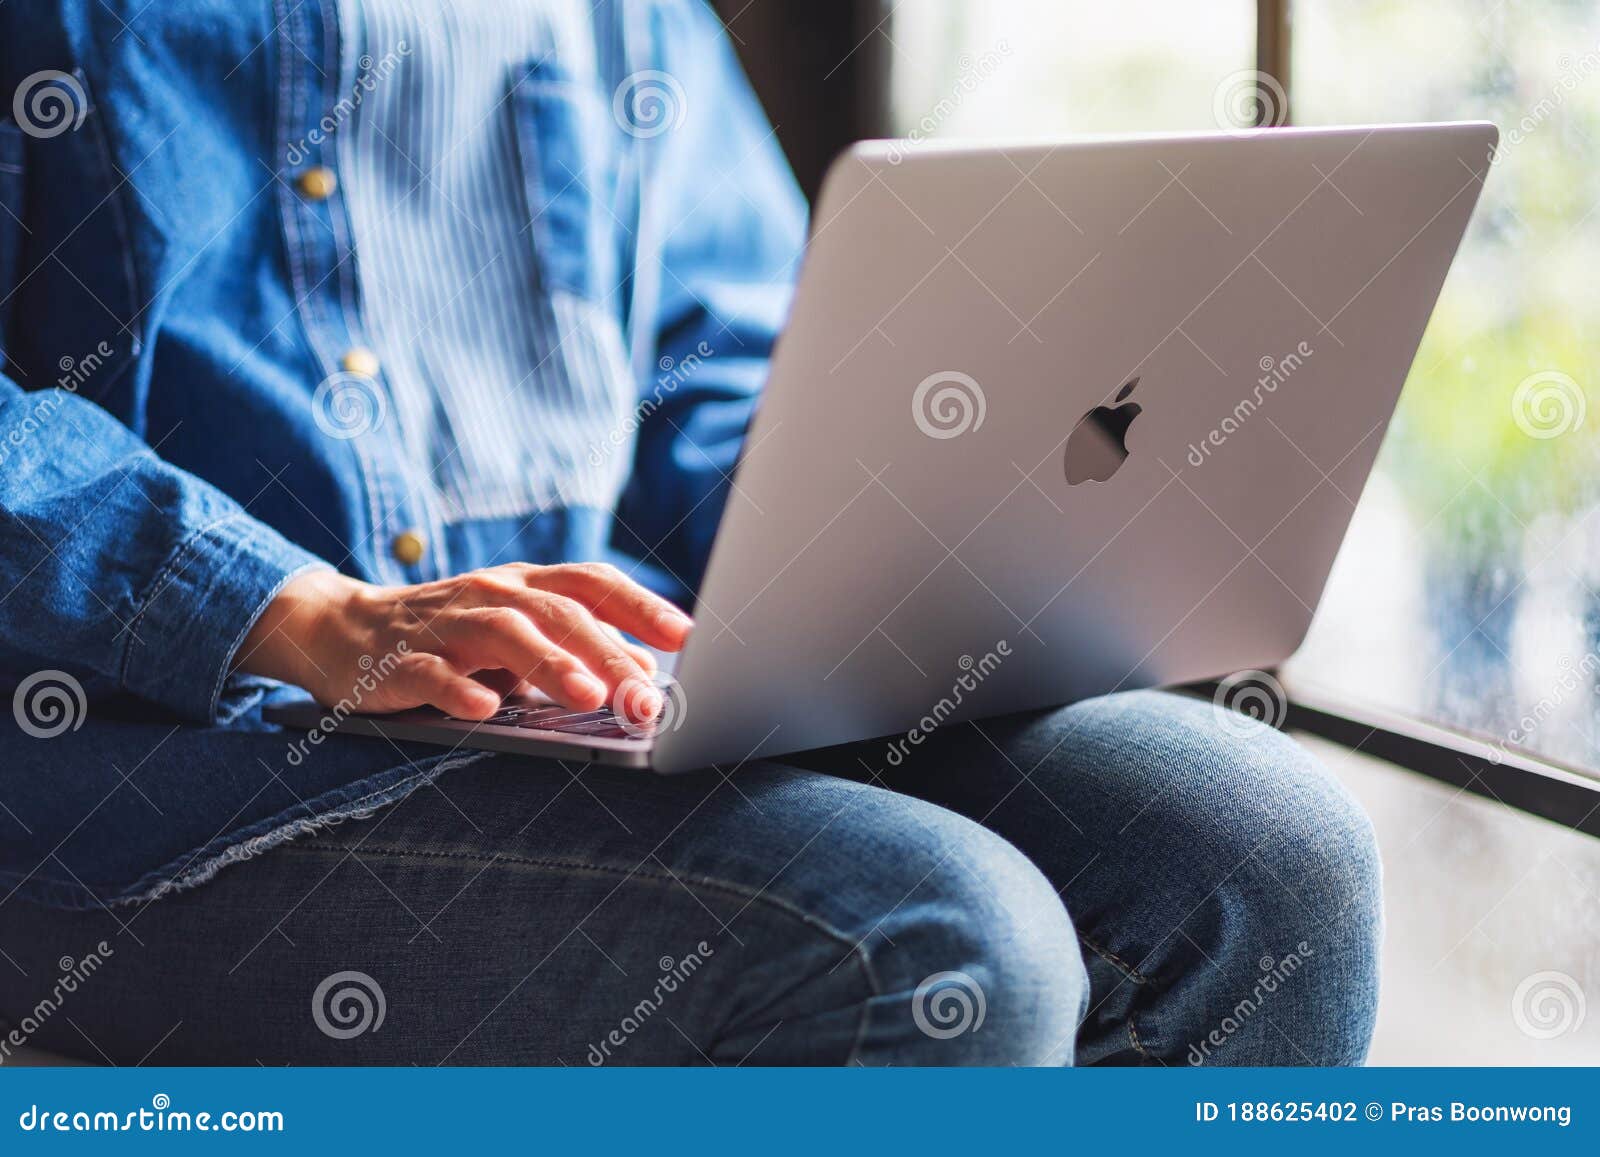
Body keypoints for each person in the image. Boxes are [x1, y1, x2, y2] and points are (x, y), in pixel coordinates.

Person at [0, 0, 1381, 1065]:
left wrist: (906, 533)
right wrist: (287, 606)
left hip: (590, 690)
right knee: (942, 946)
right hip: (154, 759)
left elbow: (709, 358)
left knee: (1271, 864)